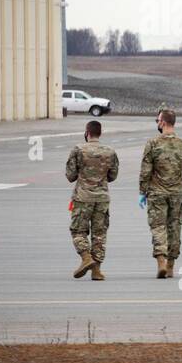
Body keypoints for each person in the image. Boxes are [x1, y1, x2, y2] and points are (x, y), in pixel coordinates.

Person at [139, 109, 182, 278]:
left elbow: (145, 171)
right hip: (176, 194)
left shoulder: (153, 144)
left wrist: (142, 191)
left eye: (158, 120)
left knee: (158, 227)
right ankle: (170, 265)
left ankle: (161, 261)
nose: (157, 123)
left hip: (156, 193)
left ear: (163, 122)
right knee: (174, 227)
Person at [66, 120, 119, 280]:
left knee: (78, 231)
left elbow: (70, 176)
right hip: (102, 198)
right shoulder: (110, 151)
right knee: (99, 234)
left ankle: (86, 258)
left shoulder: (78, 149)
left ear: (87, 133)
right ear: (99, 133)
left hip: (82, 197)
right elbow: (113, 176)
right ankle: (97, 271)